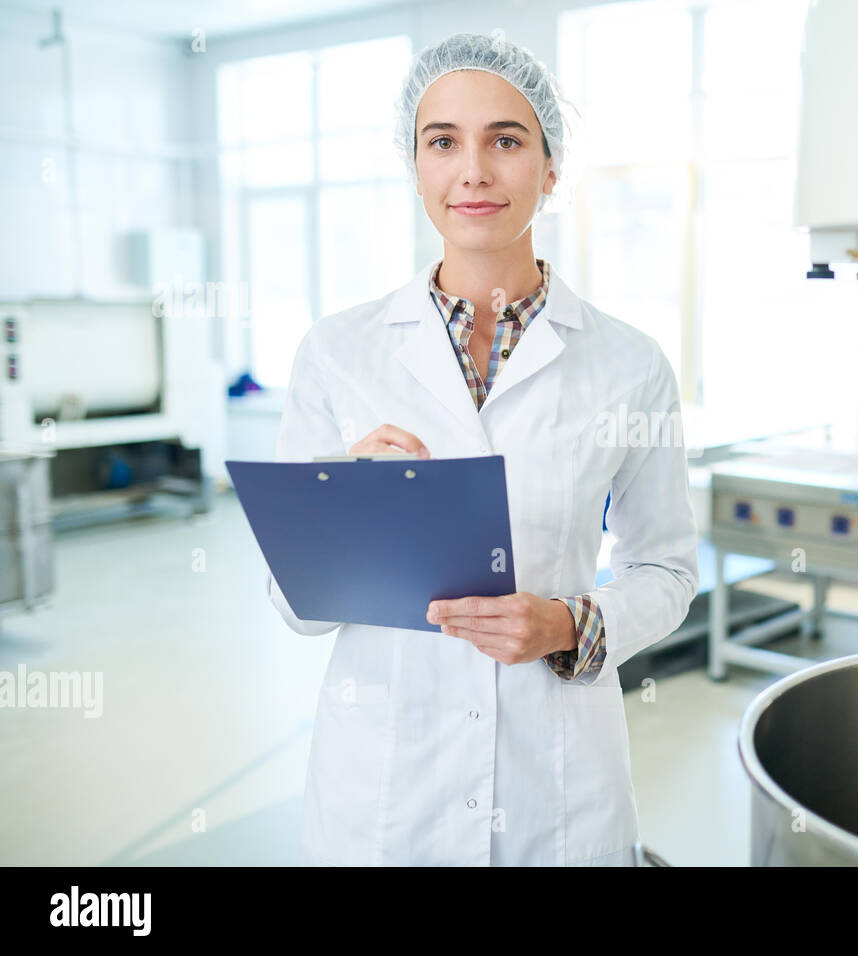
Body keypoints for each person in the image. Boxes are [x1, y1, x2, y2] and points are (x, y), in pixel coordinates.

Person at [265, 31, 700, 865]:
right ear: (416, 164)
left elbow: (668, 569)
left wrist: (571, 625)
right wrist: (349, 507)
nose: (473, 169)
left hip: (558, 784)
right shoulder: (338, 352)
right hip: (389, 790)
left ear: (551, 166)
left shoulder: (629, 363)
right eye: (443, 142)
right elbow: (295, 607)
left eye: (506, 139)